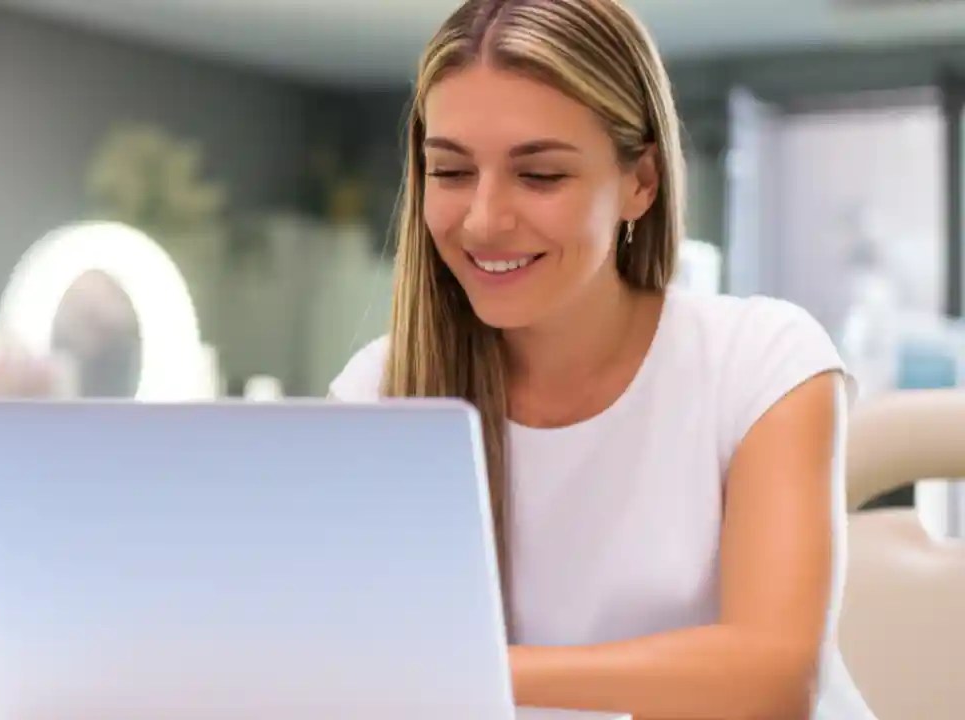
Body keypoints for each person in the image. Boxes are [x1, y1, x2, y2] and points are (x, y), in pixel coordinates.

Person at [328, 1, 877, 718]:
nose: (484, 220)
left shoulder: (761, 361)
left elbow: (772, 681)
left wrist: (462, 667)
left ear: (640, 181)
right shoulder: (378, 393)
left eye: (539, 175)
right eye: (452, 171)